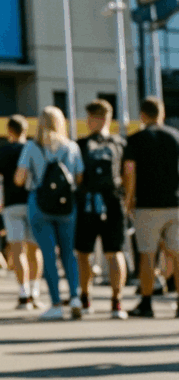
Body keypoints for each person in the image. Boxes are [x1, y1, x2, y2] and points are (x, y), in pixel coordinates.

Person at [15, 106, 84, 320]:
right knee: (68, 253)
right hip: (66, 204)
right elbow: (79, 177)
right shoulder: (71, 147)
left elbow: (19, 178)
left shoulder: (32, 146)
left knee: (48, 254)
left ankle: (55, 303)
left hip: (40, 202)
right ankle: (74, 296)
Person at [122, 96, 179, 318]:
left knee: (147, 254)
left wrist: (129, 198)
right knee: (177, 254)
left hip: (147, 204)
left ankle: (146, 303)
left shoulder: (135, 139)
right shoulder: (176, 137)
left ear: (142, 116)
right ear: (162, 114)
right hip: (175, 203)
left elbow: (129, 171)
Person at [75, 99, 128, 319]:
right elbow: (128, 174)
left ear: (95, 118)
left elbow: (77, 177)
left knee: (83, 253)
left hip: (87, 202)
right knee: (114, 252)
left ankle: (86, 298)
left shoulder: (80, 144)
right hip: (113, 201)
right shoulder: (120, 143)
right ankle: (117, 302)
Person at [0, 115, 43, 309]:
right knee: (35, 250)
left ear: (9, 130)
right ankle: (35, 291)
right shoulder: (34, 148)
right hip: (34, 203)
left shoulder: (4, 151)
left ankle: (23, 293)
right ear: (25, 130)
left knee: (17, 250)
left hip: (12, 205)